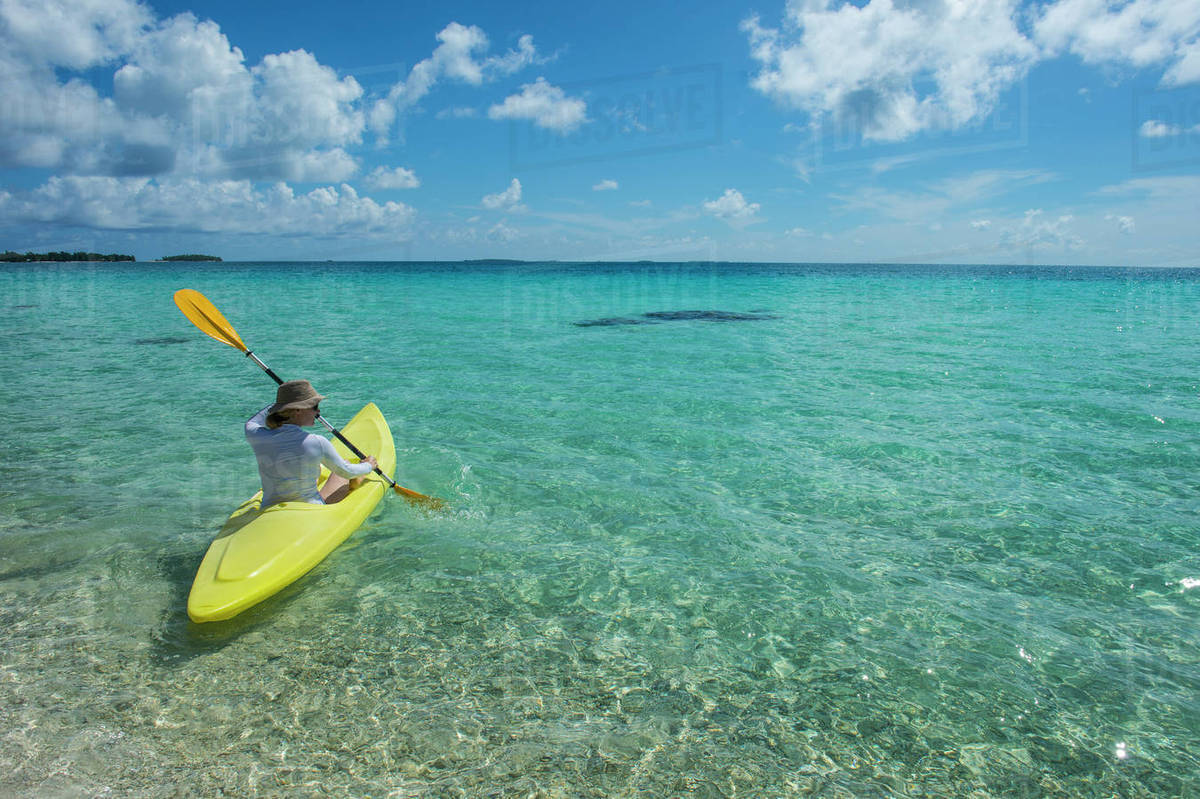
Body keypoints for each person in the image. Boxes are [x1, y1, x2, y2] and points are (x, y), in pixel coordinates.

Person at [245, 379, 377, 507]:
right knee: (346, 464)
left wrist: (280, 404)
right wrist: (368, 466)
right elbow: (347, 472)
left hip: (269, 506)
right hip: (310, 509)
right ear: (297, 410)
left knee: (316, 467)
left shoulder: (258, 436)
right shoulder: (317, 442)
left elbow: (251, 422)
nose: (318, 411)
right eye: (315, 406)